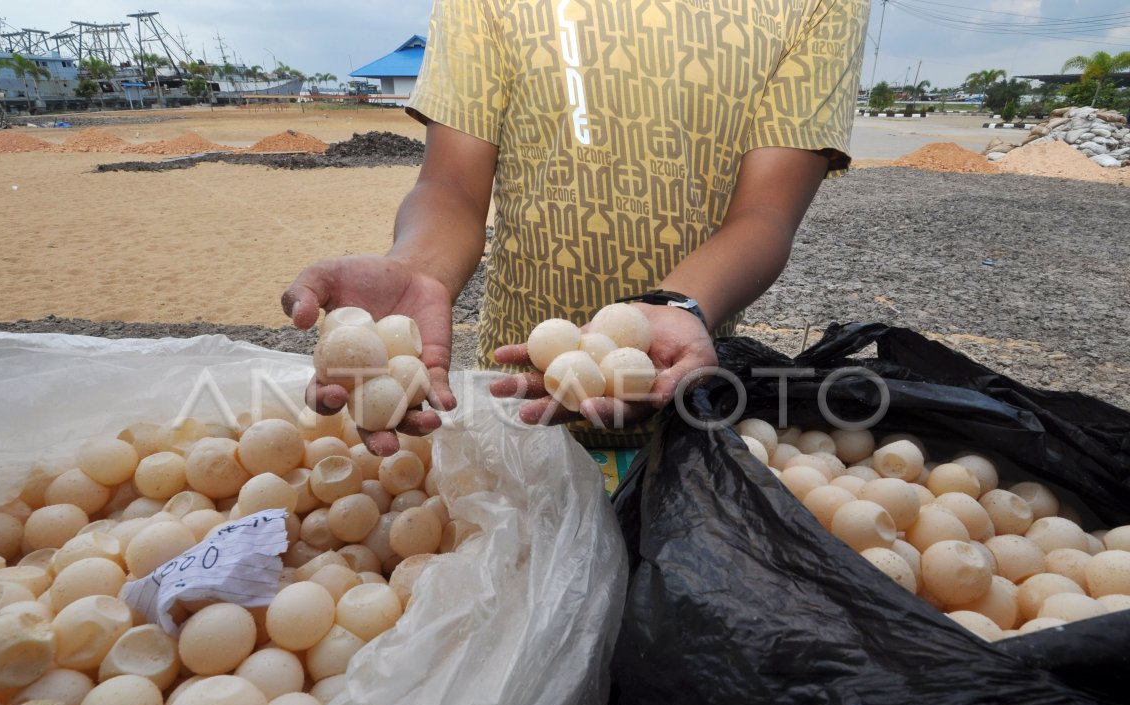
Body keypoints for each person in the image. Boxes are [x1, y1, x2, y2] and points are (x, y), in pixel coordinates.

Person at [283, 0, 868, 455]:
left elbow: (764, 213)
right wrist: (416, 270)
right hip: (512, 398)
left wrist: (675, 305)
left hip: (682, 397)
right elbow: (452, 187)